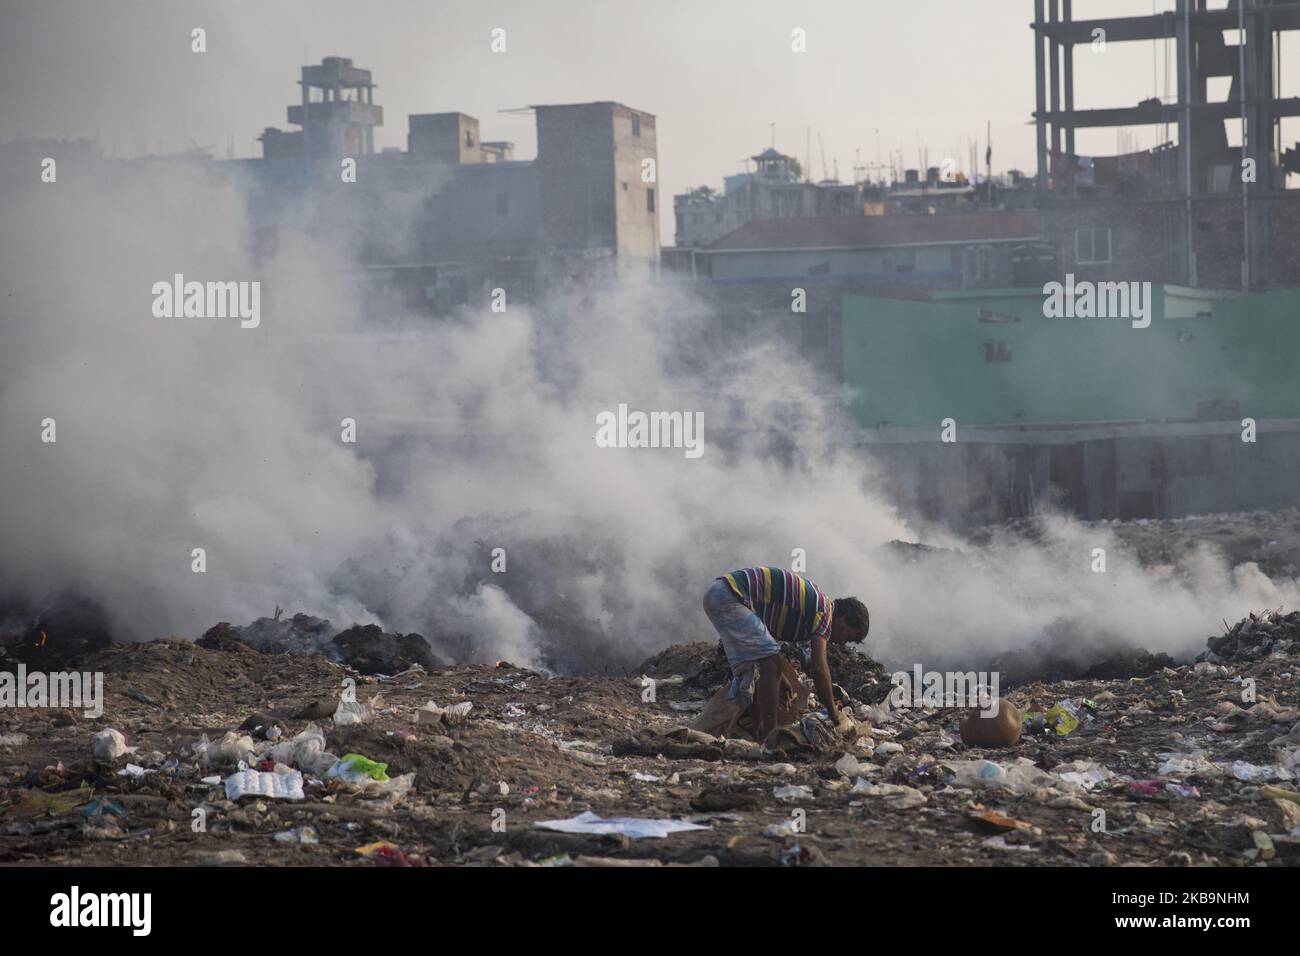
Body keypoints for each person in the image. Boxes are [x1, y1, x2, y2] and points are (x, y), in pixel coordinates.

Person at [702, 566, 870, 741]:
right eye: (848, 636)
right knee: (772, 665)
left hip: (720, 594)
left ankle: (758, 731)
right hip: (730, 596)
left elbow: (763, 651)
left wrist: (781, 676)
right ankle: (770, 736)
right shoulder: (824, 611)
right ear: (843, 618)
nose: (843, 643)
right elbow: (819, 668)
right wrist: (834, 715)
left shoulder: (804, 613)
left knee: (766, 667)